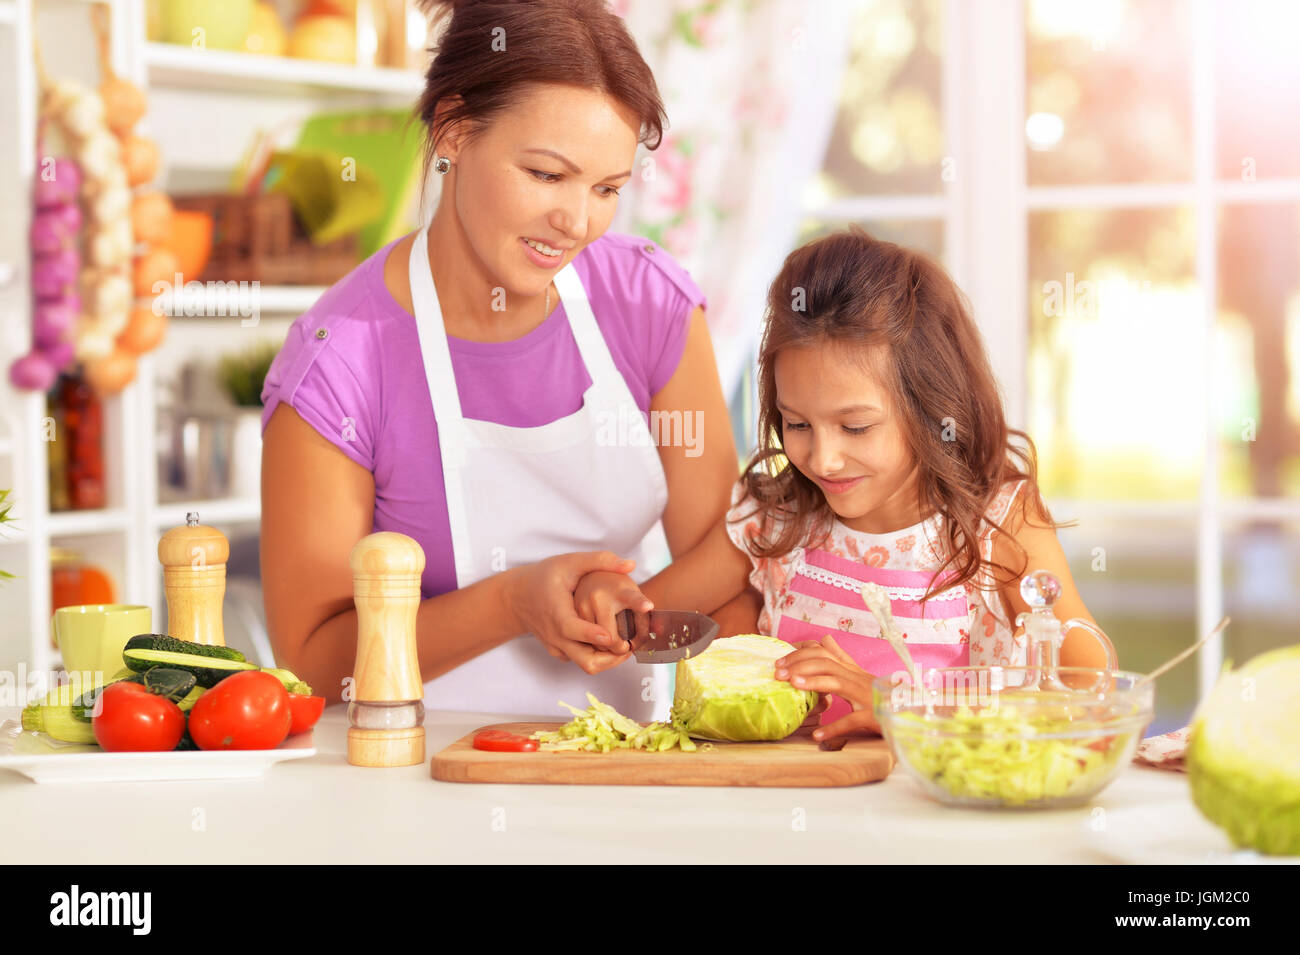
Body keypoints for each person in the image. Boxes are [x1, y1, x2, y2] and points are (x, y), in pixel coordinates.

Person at [259, 0, 750, 719]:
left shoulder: (648, 303)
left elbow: (729, 561)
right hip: (406, 782)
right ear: (454, 130)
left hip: (616, 773)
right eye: (547, 175)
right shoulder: (341, 361)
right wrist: (515, 600)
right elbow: (313, 659)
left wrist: (738, 740)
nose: (577, 221)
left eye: (607, 188)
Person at [574, 226, 1118, 739]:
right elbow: (643, 619)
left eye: (855, 426)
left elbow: (1090, 689)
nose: (824, 458)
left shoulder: (999, 524)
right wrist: (608, 604)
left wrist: (897, 708)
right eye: (797, 424)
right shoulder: (776, 524)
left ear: (933, 406)